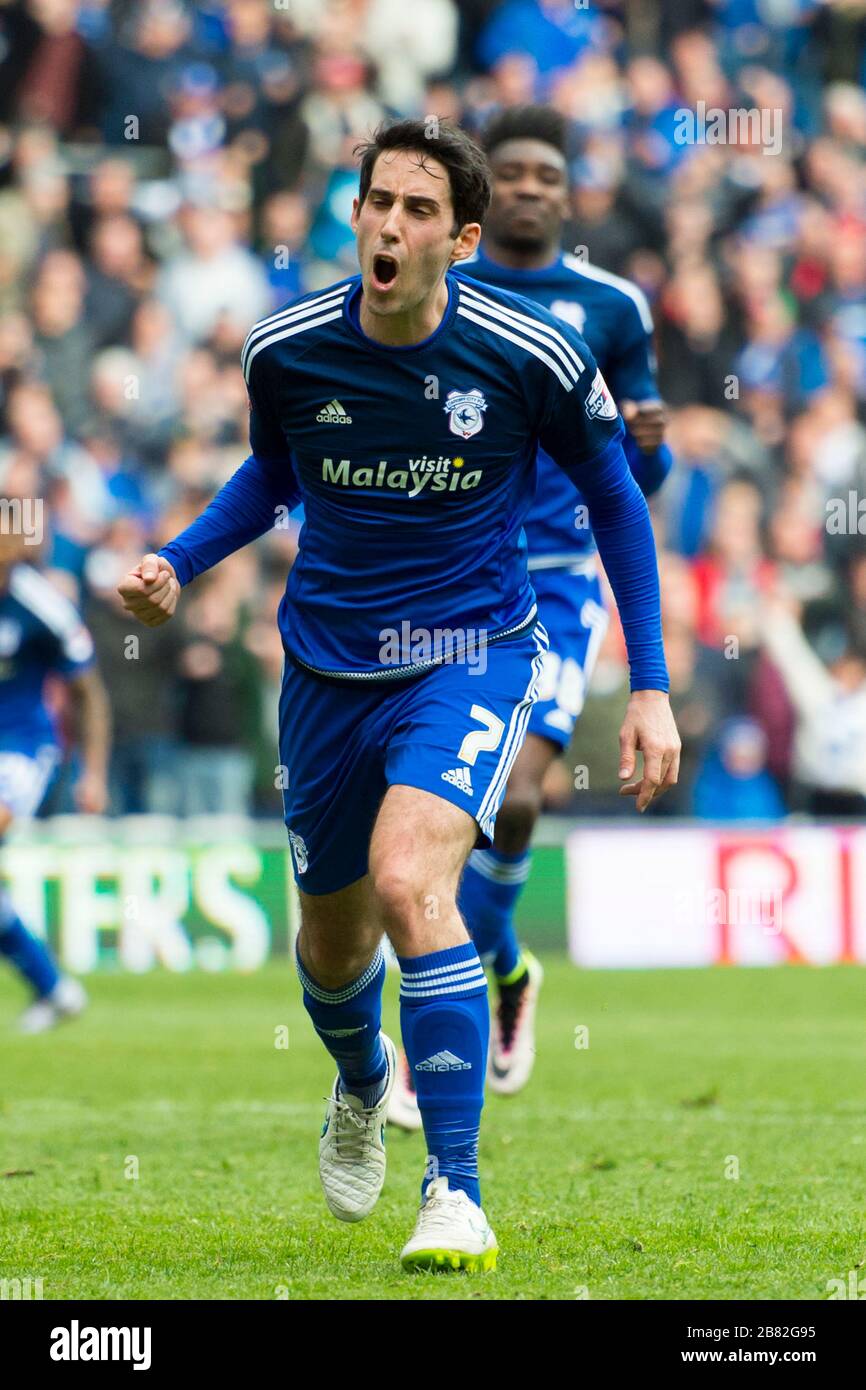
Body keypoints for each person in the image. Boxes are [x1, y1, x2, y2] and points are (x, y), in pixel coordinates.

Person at [117, 119, 680, 1273]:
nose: (390, 223)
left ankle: (456, 1191)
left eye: (420, 211)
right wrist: (177, 559)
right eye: (379, 200)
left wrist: (652, 688)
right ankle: (364, 1080)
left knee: (408, 881)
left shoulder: (533, 354)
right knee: (329, 950)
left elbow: (617, 502)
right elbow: (274, 474)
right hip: (326, 668)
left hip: (472, 653)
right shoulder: (285, 349)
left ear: (461, 239)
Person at [389, 105, 673, 1123]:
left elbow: (633, 474)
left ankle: (441, 1028)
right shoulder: (439, 293)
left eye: (545, 174)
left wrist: (654, 442)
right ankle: (500, 971)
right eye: (507, 173)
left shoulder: (610, 307)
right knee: (432, 824)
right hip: (446, 571)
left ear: (567, 189)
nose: (528, 188)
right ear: (481, 194)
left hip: (552, 578)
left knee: (511, 798)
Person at [0, 502, 110, 1032]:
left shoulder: (40, 605)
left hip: (21, 751)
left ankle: (53, 986)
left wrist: (93, 773)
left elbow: (89, 691)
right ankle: (54, 987)